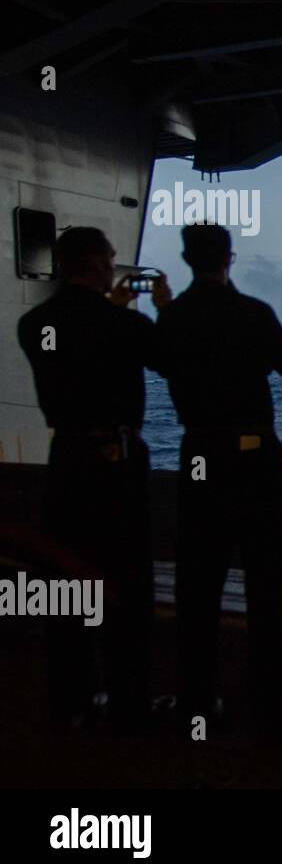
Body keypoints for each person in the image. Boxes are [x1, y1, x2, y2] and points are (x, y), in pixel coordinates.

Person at [16, 226, 171, 731]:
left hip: (66, 461)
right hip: (115, 462)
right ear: (96, 263)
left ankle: (71, 702)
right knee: (127, 583)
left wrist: (114, 313)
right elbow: (173, 358)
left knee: (66, 578)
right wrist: (160, 308)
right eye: (108, 259)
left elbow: (77, 353)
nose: (112, 268)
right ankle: (130, 702)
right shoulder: (120, 324)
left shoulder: (33, 323)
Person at [154, 222, 282, 740]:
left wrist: (165, 309)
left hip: (200, 456)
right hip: (255, 457)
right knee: (266, 586)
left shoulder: (173, 319)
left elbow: (160, 358)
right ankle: (271, 707)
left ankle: (197, 704)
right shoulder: (253, 313)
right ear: (230, 259)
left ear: (186, 258)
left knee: (197, 587)